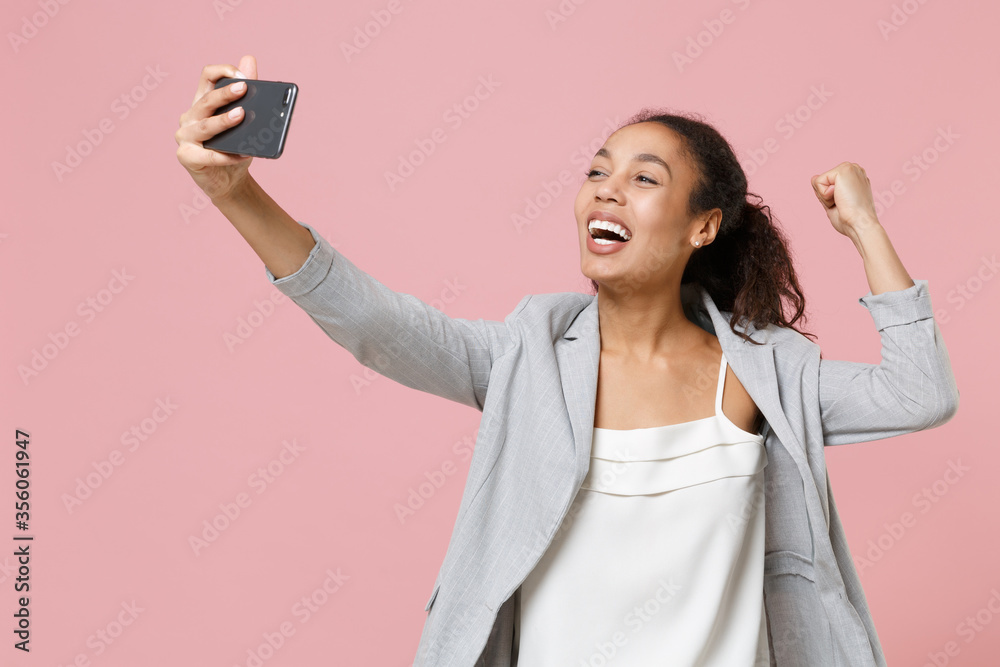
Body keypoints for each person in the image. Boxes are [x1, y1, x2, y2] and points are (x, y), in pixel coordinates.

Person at [176, 55, 960, 666]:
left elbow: (918, 392)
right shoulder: (530, 354)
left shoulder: (765, 372)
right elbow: (378, 325)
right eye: (596, 172)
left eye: (643, 179)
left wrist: (863, 225)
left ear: (703, 227)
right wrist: (235, 195)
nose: (605, 192)